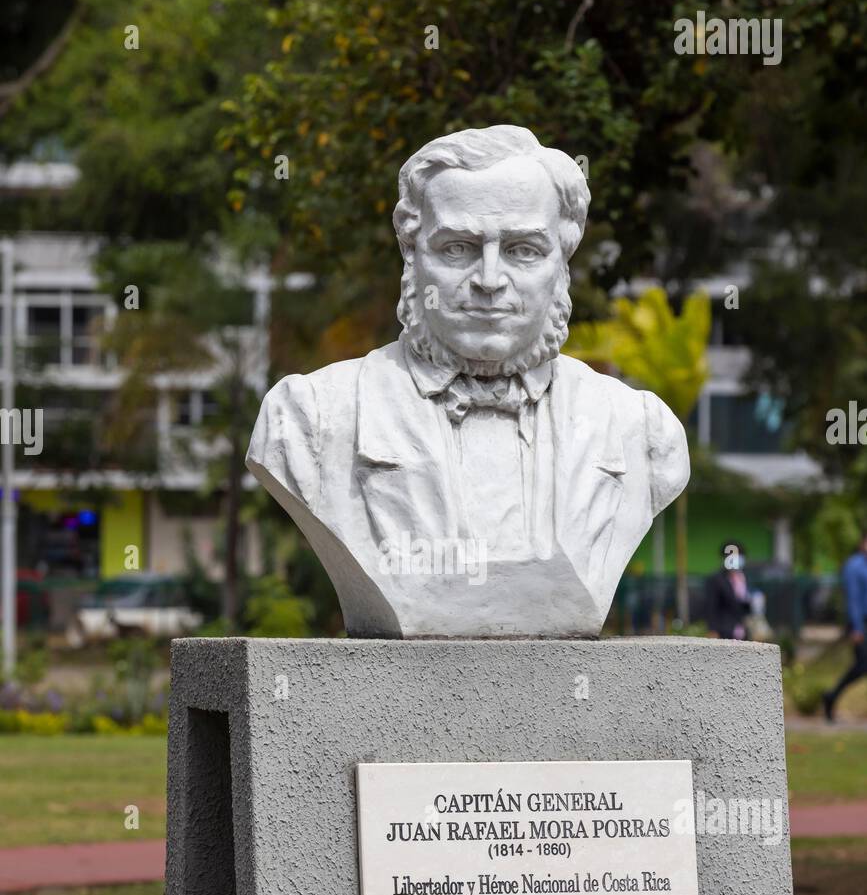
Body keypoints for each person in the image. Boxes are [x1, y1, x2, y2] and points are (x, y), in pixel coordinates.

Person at [246, 125, 690, 639]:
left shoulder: (640, 430)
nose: (488, 280)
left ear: (561, 265)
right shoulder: (309, 419)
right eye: (457, 248)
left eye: (523, 250)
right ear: (412, 256)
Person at [822, 530, 867, 722]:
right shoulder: (854, 566)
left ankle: (831, 696)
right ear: (862, 543)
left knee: (862, 666)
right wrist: (857, 628)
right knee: (862, 666)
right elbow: (853, 599)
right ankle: (831, 695)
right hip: (861, 622)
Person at [705, 541, 752, 640]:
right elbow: (711, 606)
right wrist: (712, 630)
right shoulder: (716, 579)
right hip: (723, 631)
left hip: (742, 631)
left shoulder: (744, 577)